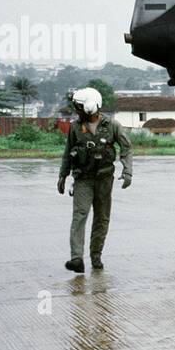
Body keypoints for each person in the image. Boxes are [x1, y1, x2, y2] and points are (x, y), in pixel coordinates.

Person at [57, 87, 133, 273]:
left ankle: (96, 256)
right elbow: (68, 152)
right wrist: (62, 175)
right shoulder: (75, 127)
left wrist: (127, 170)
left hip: (104, 179)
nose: (76, 110)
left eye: (79, 107)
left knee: (102, 218)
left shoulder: (112, 125)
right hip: (83, 179)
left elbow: (126, 147)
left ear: (89, 107)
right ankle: (76, 258)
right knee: (79, 216)